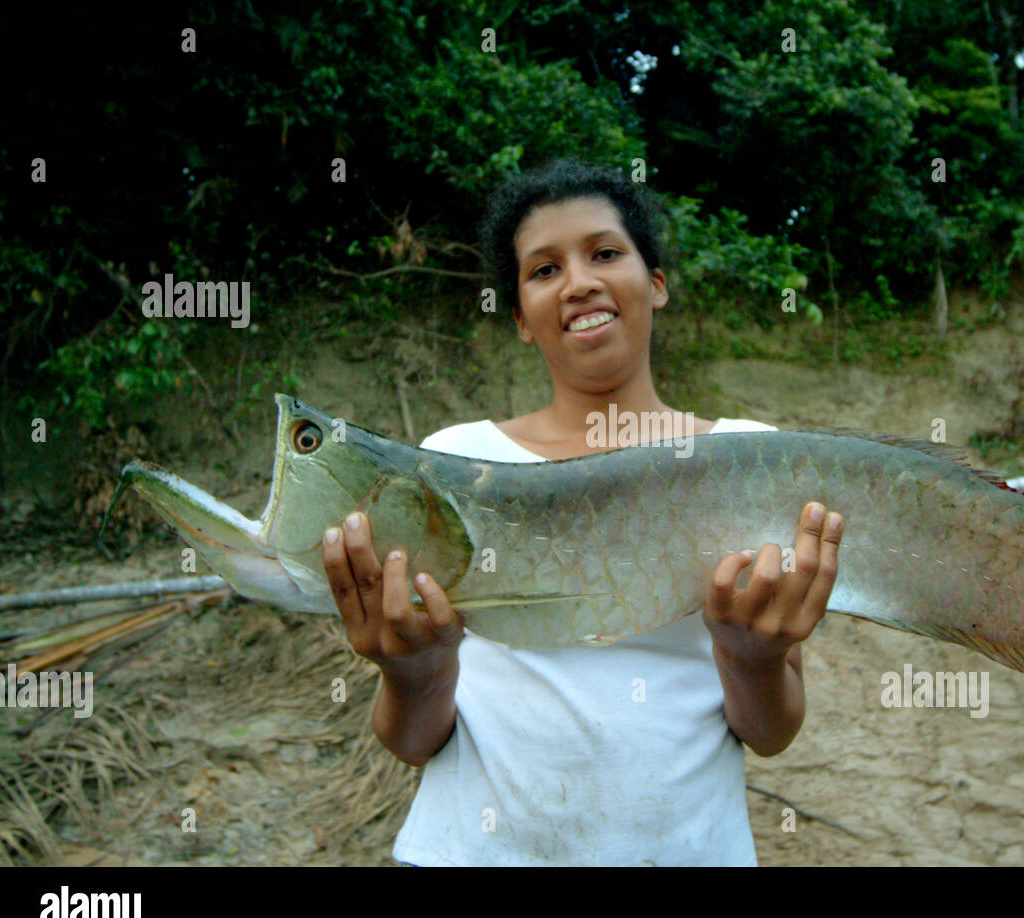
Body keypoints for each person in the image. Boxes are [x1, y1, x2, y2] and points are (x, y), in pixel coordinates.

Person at [320, 158, 844, 865]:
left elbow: (771, 731)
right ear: (520, 321)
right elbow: (413, 741)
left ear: (654, 284)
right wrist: (415, 672)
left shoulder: (749, 460)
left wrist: (754, 659)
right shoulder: (452, 462)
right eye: (543, 270)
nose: (579, 282)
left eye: (604, 253)